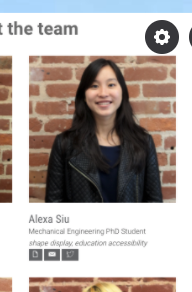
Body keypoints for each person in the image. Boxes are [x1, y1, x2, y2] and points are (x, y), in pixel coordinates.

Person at [44, 59, 164, 203]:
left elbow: (154, 202)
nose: (103, 93)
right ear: (84, 94)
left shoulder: (143, 142)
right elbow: (54, 203)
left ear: (122, 91)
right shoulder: (64, 144)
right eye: (94, 86)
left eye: (111, 84)